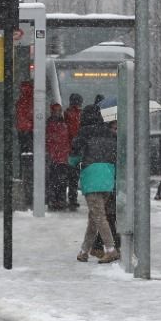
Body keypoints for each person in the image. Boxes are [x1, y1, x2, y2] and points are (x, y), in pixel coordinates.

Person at [69, 105, 119, 263]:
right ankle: (84, 251)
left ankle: (111, 250)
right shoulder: (110, 134)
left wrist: (74, 162)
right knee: (94, 217)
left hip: (92, 178)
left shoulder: (84, 133)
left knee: (99, 216)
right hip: (108, 178)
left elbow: (73, 158)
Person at [44, 102, 71, 208]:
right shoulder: (59, 124)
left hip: (60, 156)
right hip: (56, 156)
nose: (58, 113)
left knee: (59, 180)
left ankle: (58, 200)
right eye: (56, 111)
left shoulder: (53, 124)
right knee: (57, 180)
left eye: (59, 111)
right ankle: (56, 200)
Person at [63, 93, 84, 210]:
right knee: (76, 177)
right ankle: (73, 199)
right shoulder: (81, 115)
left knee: (71, 177)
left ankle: (71, 199)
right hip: (79, 150)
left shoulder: (66, 114)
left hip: (70, 150)